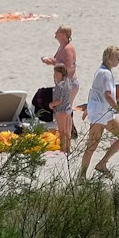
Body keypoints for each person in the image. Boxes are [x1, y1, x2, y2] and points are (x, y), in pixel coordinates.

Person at [80, 46, 119, 177]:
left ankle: (102, 163)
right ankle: (82, 176)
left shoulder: (102, 71)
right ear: (110, 58)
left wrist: (88, 108)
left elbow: (94, 91)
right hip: (100, 115)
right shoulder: (105, 73)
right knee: (91, 147)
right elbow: (107, 95)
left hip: (104, 114)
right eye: (118, 58)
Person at [42, 26, 78, 154]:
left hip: (68, 84)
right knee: (66, 112)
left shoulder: (68, 48)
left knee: (64, 115)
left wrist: (56, 65)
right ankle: (66, 146)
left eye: (57, 32)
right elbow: (57, 60)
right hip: (64, 84)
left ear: (63, 34)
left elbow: (68, 67)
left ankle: (66, 146)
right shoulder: (61, 47)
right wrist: (49, 60)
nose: (55, 33)